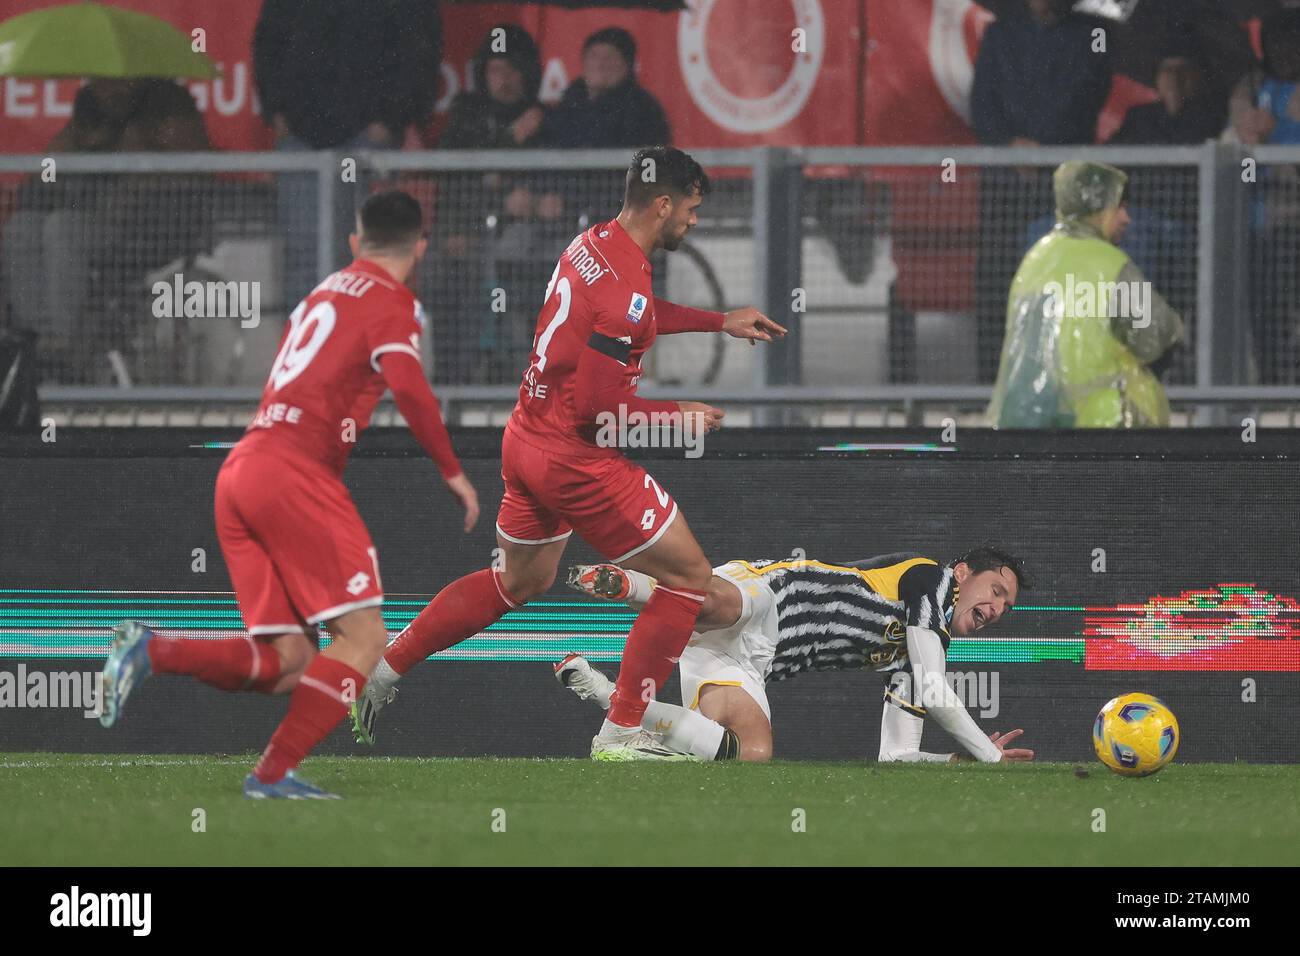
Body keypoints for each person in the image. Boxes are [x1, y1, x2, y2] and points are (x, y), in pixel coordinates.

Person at [353, 147, 786, 760]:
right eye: (691, 209)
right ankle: (621, 731)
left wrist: (718, 321)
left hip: (525, 438)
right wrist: (676, 417)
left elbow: (631, 319)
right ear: (663, 204)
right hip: (574, 458)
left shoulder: (596, 244)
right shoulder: (627, 286)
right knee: (689, 578)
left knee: (519, 579)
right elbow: (596, 411)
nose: (693, 221)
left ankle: (387, 665)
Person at [98, 191, 479, 798]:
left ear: (356, 243)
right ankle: (271, 775)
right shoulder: (393, 302)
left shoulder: (324, 291)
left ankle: (152, 650)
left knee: (284, 662)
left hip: (243, 468)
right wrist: (452, 470)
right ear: (421, 248)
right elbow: (408, 385)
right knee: (365, 638)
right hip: (295, 474)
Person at [555, 548, 1033, 764]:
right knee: (720, 606)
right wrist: (988, 754)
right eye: (995, 590)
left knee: (751, 754)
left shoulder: (915, 651)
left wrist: (955, 760)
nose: (997, 608)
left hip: (752, 662)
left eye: (1008, 606)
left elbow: (897, 755)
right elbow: (935, 689)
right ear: (963, 572)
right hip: (776, 595)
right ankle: (632, 585)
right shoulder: (932, 580)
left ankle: (604, 693)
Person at [252, 0, 443, 308]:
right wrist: (276, 110)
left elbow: (420, 44)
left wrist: (391, 118)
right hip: (302, 138)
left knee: (369, 254)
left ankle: (360, 349)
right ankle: (310, 348)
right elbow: (268, 40)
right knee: (303, 252)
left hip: (369, 140)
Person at [970, 0, 1113, 383]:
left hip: (1061, 182)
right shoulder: (1000, 33)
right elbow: (981, 104)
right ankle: (993, 380)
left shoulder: (1093, 34)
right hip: (1005, 183)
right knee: (998, 275)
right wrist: (1011, 144)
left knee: (1060, 275)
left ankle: (1058, 378)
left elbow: (1088, 97)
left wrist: (1043, 147)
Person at [986, 161, 1184, 428]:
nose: (1127, 218)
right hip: (1102, 429)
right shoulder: (1111, 265)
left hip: (1029, 429)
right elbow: (1156, 338)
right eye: (1120, 207)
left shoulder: (1033, 262)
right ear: (1099, 208)